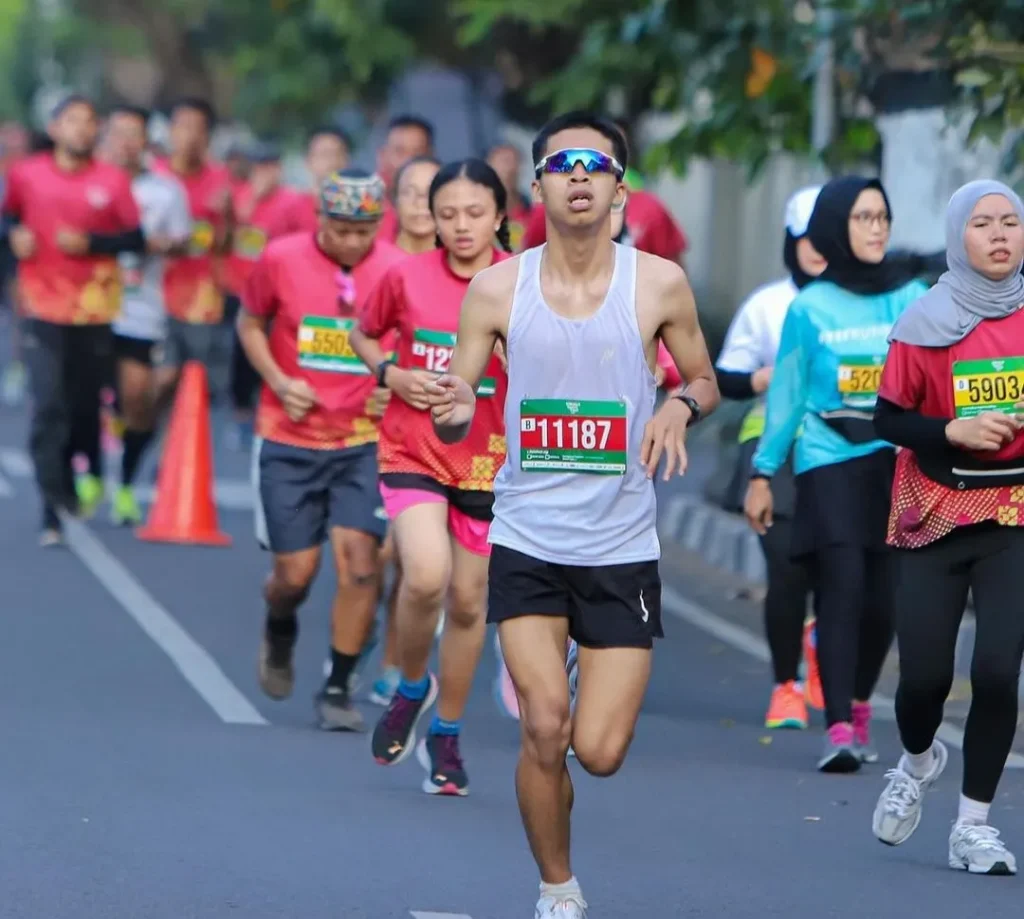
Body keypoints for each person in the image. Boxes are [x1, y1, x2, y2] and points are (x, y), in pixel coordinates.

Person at [425, 112, 719, 919]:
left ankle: (586, 676)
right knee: (543, 728)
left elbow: (703, 378)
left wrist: (676, 410)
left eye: (596, 165)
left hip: (621, 543)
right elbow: (456, 411)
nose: (579, 176)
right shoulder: (496, 289)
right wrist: (452, 407)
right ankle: (558, 887)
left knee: (600, 750)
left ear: (620, 184)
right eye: (563, 165)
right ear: (539, 184)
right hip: (525, 536)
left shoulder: (657, 283)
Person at [744, 177, 928, 772]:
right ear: (834, 228)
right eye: (862, 217)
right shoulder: (810, 306)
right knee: (842, 584)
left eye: (882, 216)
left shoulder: (909, 296)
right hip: (828, 462)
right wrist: (764, 472)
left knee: (884, 603)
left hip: (897, 462)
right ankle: (840, 727)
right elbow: (789, 394)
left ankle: (857, 702)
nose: (876, 228)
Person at [870, 180, 1024, 875]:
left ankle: (974, 825)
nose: (999, 234)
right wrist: (952, 429)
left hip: (1015, 513)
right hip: (936, 508)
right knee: (924, 680)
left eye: (1011, 222)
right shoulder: (922, 323)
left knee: (996, 671)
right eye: (983, 223)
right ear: (958, 236)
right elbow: (889, 421)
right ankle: (918, 758)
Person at [350, 158, 511, 796]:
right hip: (412, 449)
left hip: (493, 459)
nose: (461, 226)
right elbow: (363, 335)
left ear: (501, 215)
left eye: (475, 213)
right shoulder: (405, 275)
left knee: (470, 604)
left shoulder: (524, 282)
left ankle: (446, 732)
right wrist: (391, 373)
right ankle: (411, 687)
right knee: (424, 575)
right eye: (447, 215)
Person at [237, 169, 404, 729]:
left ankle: (337, 688)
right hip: (290, 436)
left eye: (365, 230)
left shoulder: (396, 268)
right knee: (295, 574)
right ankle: (279, 626)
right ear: (320, 220)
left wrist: (392, 390)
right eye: (341, 229)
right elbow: (250, 322)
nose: (353, 241)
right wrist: (280, 382)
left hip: (363, 441)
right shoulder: (280, 258)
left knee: (361, 566)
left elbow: (414, 343)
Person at [1, 95, 143, 545]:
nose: (81, 129)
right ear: (56, 127)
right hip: (41, 307)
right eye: (72, 121)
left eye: (89, 122)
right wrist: (14, 235)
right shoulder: (26, 174)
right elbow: (5, 220)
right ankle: (51, 511)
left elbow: (135, 238)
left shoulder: (113, 180)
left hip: (95, 310)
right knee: (48, 406)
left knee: (85, 409)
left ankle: (88, 467)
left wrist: (93, 243)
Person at [719, 185, 827, 728]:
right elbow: (723, 377)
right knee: (786, 569)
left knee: (841, 568)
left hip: (849, 451)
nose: (817, 247)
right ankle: (786, 685)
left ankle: (824, 641)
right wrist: (763, 377)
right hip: (773, 450)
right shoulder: (766, 305)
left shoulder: (878, 305)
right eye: (806, 237)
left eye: (828, 235)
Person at [103, 105, 192, 525]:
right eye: (118, 132)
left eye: (133, 133)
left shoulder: (165, 191)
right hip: (83, 308)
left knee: (139, 399)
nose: (125, 141)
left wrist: (167, 245)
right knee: (75, 397)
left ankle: (124, 483)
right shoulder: (87, 182)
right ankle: (82, 465)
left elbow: (184, 241)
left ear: (145, 141)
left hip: (140, 309)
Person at [225, 142, 308, 448]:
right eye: (260, 167)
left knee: (277, 349)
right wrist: (249, 204)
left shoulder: (292, 201)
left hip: (278, 293)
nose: (265, 174)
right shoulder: (239, 196)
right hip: (243, 289)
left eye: (271, 167)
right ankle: (241, 414)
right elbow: (227, 235)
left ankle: (276, 408)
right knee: (241, 352)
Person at [152, 98, 233, 391]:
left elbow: (224, 246)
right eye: (183, 126)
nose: (190, 135)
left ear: (208, 136)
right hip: (153, 297)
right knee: (157, 383)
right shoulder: (153, 175)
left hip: (202, 301)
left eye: (198, 128)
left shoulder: (219, 177)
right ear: (170, 131)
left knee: (198, 390)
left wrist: (225, 215)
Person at [374, 115, 434, 243]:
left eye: (417, 152)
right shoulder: (366, 204)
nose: (409, 161)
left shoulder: (445, 202)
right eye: (399, 152)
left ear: (431, 155)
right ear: (382, 156)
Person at [487, 143, 533, 251]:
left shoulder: (533, 213)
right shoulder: (478, 216)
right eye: (503, 161)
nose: (508, 169)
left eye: (512, 161)